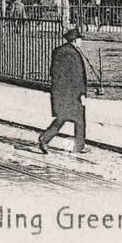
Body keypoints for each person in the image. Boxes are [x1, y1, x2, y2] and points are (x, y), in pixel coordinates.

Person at [38, 27, 88, 155]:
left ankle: (45, 138)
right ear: (75, 40)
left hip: (59, 92)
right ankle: (79, 146)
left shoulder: (58, 51)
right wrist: (82, 93)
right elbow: (77, 77)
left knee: (62, 118)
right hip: (73, 93)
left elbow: (53, 72)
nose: (81, 42)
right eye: (80, 40)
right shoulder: (73, 54)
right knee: (79, 120)